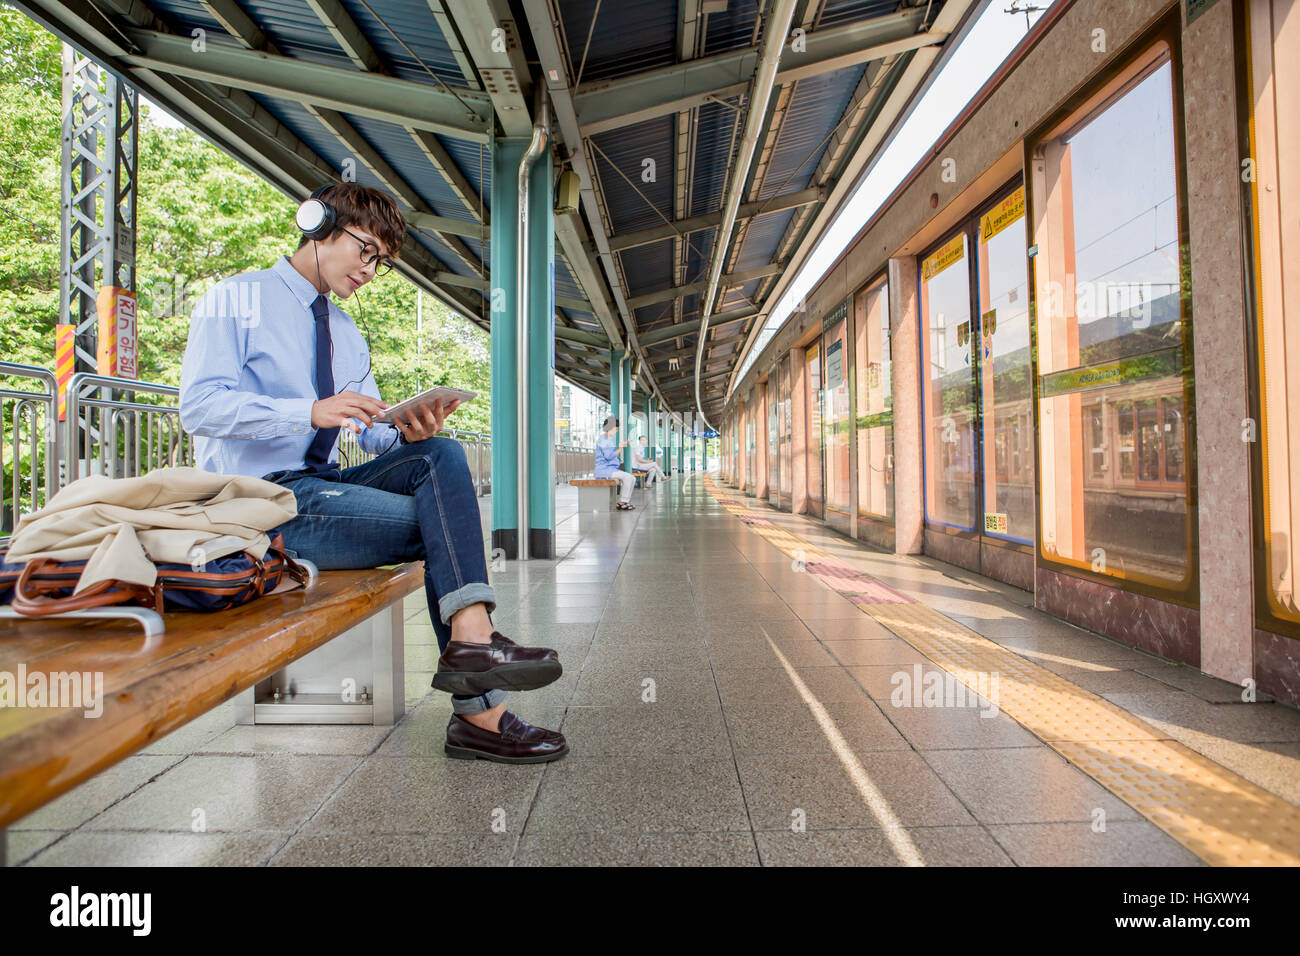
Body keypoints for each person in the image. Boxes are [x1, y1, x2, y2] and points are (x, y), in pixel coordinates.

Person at [178, 182, 567, 764]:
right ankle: (479, 698)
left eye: (381, 262)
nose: (370, 269)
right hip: (262, 500)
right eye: (365, 251)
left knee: (443, 456)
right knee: (440, 526)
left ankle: (471, 646)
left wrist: (408, 428)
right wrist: (305, 410)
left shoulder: (347, 331)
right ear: (317, 224)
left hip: (323, 484)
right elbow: (199, 408)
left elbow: (373, 430)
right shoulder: (235, 299)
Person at [594, 415, 635, 510]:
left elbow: (610, 454)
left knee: (632, 478)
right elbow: (609, 456)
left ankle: (624, 501)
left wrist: (621, 446)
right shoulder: (603, 440)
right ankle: (623, 502)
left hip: (609, 469)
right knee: (629, 477)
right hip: (604, 471)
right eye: (616, 429)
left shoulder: (606, 439)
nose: (616, 431)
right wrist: (620, 448)